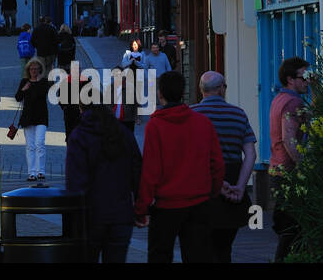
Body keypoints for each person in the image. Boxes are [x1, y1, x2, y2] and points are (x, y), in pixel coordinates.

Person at [134, 70, 224, 264]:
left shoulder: (156, 126)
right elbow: (217, 164)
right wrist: (212, 193)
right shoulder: (203, 123)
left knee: (160, 255)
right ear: (183, 93)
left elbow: (150, 171)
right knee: (198, 256)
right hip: (198, 202)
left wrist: (141, 208)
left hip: (165, 205)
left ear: (160, 94)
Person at [64, 101, 142, 262]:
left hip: (90, 217)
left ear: (81, 109)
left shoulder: (79, 135)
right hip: (121, 214)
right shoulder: (124, 134)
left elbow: (74, 183)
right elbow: (137, 172)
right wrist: (141, 209)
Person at [193, 71, 258, 263]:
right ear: (221, 89)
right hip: (232, 180)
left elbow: (193, 157)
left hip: (202, 187)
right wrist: (239, 186)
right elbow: (251, 154)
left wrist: (218, 185)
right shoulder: (238, 114)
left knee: (203, 247)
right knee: (224, 247)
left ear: (201, 90)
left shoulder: (192, 114)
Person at [270, 56, 310, 262]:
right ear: (290, 79)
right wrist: (303, 166)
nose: (307, 82)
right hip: (289, 171)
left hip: (276, 169)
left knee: (288, 226)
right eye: (303, 77)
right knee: (292, 229)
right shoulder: (293, 102)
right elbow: (289, 138)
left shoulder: (279, 99)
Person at [16, 58, 50, 181]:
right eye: (31, 69)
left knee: (39, 143)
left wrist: (32, 86)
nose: (33, 71)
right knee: (30, 146)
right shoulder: (24, 82)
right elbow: (18, 97)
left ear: (40, 70)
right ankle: (32, 172)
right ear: (28, 70)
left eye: (36, 69)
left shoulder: (44, 82)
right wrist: (24, 89)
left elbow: (39, 94)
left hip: (41, 117)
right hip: (28, 117)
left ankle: (41, 171)